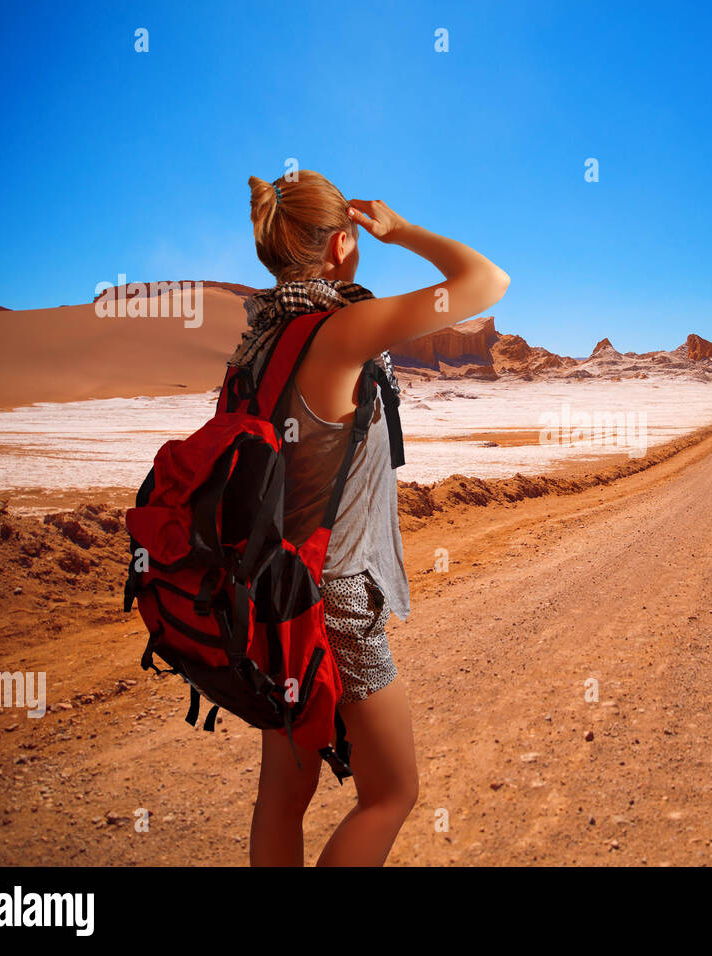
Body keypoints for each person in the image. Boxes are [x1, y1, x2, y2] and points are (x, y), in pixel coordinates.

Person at [233, 170, 509, 865]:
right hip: (336, 601)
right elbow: (485, 282)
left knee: (282, 797)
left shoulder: (257, 346)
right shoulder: (338, 331)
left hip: (272, 596)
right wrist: (405, 231)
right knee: (391, 792)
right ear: (340, 246)